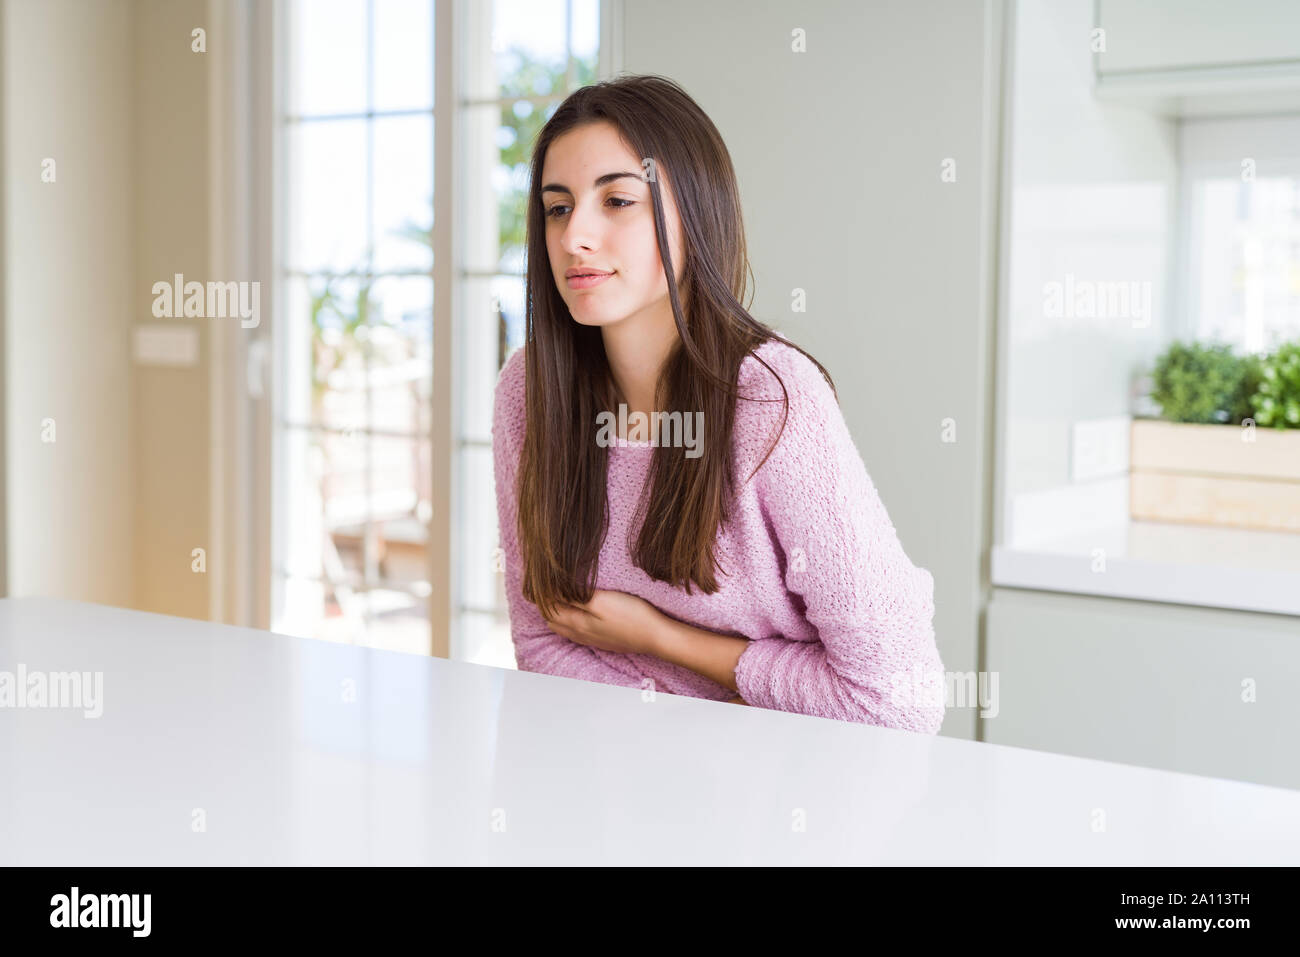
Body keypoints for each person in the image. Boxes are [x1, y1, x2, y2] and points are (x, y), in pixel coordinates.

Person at [491, 74, 944, 731]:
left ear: (697, 215)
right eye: (557, 208)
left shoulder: (772, 399)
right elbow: (541, 643)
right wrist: (701, 727)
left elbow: (896, 699)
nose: (573, 237)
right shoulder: (529, 391)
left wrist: (655, 637)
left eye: (617, 200)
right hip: (610, 789)